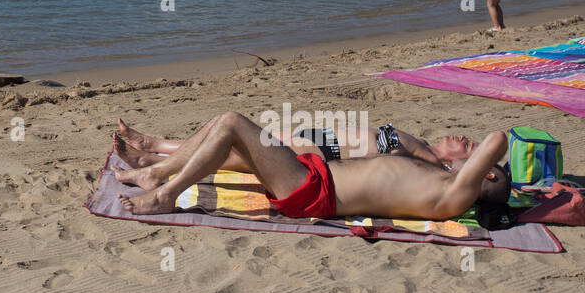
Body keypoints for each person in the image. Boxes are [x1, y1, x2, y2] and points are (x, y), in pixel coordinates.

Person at [112, 112, 510, 221]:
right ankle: (152, 169)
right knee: (225, 126)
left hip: (313, 190)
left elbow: (498, 139)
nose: (472, 148)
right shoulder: (444, 183)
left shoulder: (455, 195)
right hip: (312, 175)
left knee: (233, 122)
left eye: (480, 161)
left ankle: (166, 193)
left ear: (486, 173)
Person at [115, 119, 481, 172]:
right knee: (236, 147)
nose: (463, 137)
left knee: (236, 152)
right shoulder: (422, 147)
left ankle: (153, 158)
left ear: (458, 163)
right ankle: (155, 146)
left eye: (468, 146)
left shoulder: (424, 161)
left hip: (323, 152)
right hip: (322, 138)